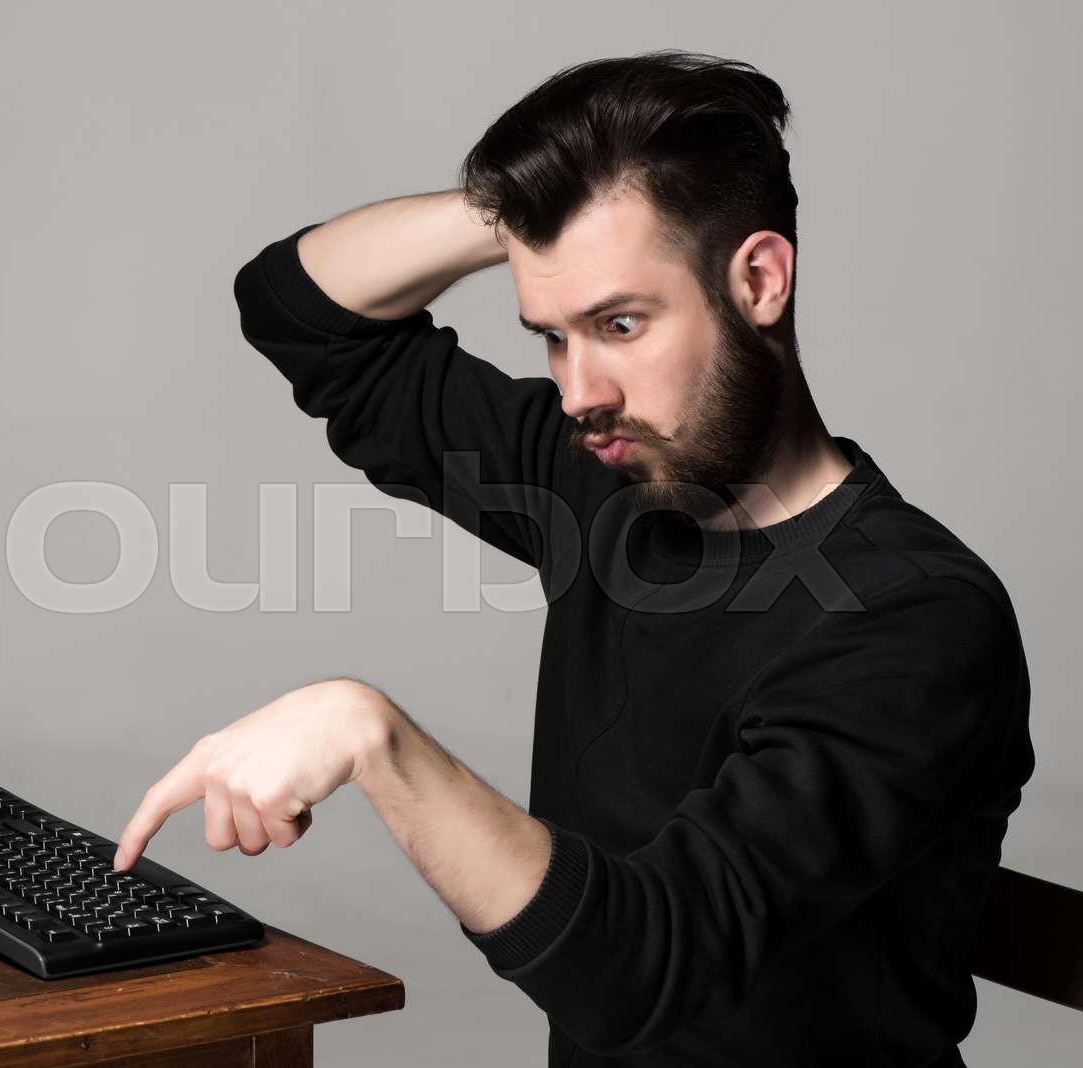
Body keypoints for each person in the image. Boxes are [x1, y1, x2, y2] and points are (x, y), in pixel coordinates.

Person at [111, 49, 1035, 1067]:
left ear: (759, 280)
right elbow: (300, 309)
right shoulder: (608, 487)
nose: (579, 390)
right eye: (551, 335)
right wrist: (518, 211)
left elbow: (640, 966)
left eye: (619, 323)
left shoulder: (914, 619)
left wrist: (371, 736)